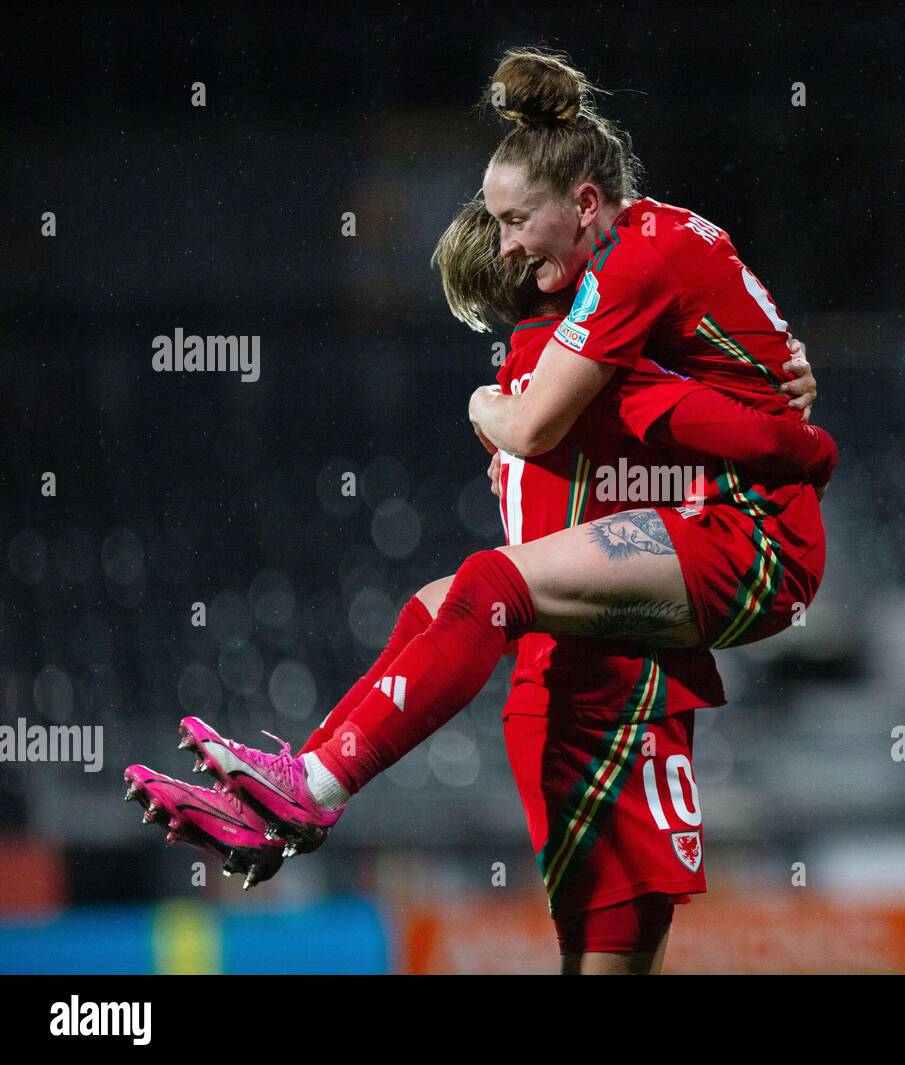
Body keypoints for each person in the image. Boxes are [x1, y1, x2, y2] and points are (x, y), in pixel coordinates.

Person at [129, 49, 832, 903]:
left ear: (581, 205)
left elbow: (541, 428)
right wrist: (791, 406)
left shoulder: (623, 280)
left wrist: (483, 406)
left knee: (485, 586)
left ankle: (309, 791)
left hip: (747, 547)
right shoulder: (657, 247)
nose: (505, 241)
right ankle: (299, 782)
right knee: (436, 603)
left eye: (513, 222)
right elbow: (751, 383)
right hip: (699, 548)